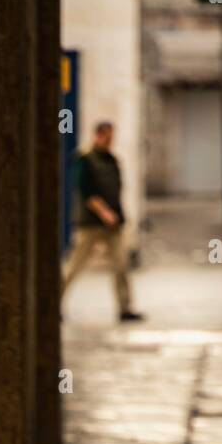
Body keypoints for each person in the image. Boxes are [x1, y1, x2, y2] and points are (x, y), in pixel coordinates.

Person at [62, 121, 144, 322]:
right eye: (107, 137)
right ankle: (53, 302)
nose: (109, 141)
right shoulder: (85, 160)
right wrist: (104, 212)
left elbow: (116, 191)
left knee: (120, 265)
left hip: (113, 224)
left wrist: (118, 215)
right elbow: (86, 191)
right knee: (74, 266)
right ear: (98, 136)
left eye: (112, 137)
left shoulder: (112, 160)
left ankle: (125, 308)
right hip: (90, 224)